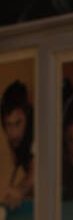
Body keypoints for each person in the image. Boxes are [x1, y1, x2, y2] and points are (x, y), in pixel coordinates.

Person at [1, 80, 35, 212]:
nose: (13, 133)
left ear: (27, 115)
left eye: (17, 123)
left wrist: (20, 189)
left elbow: (37, 172)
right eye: (8, 124)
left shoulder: (37, 129)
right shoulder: (14, 137)